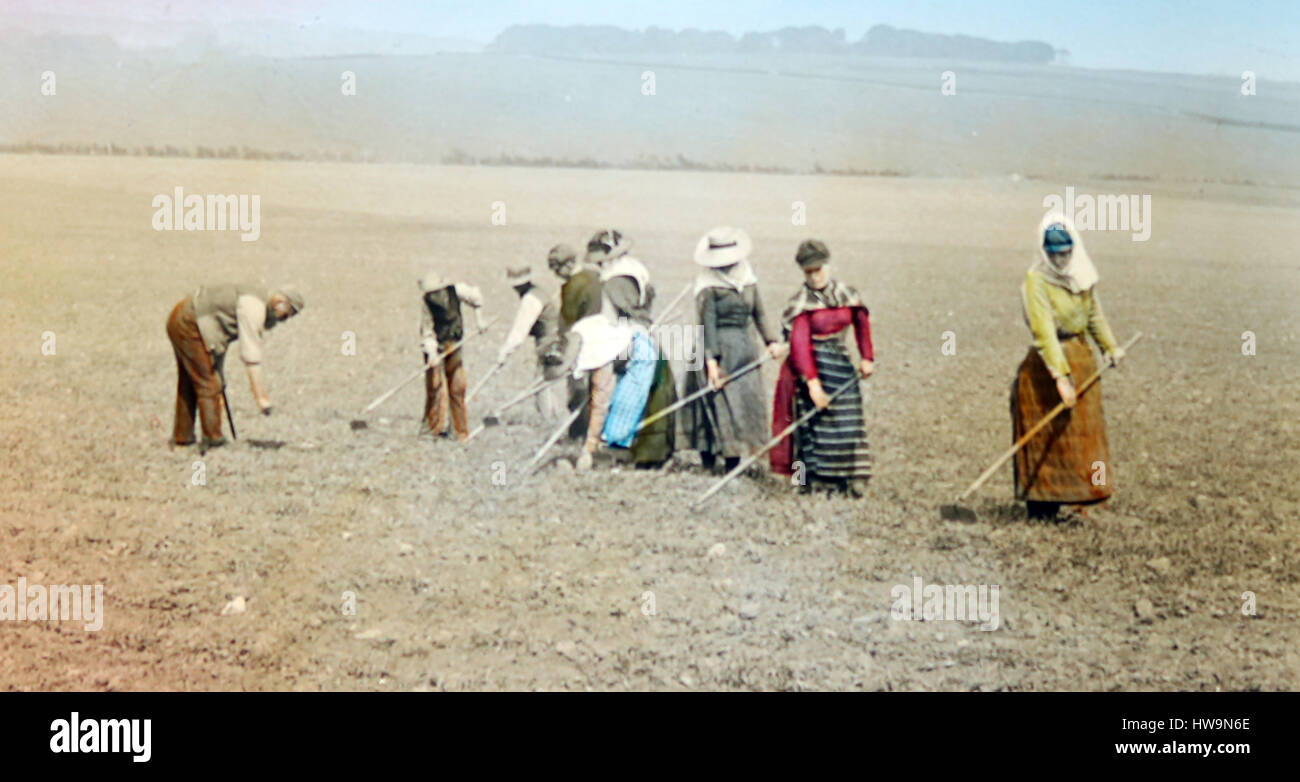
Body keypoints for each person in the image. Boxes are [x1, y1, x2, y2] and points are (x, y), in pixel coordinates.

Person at [1012, 213, 1125, 519]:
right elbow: (1043, 331)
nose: (1060, 260)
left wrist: (1110, 347)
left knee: (1087, 434)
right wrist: (1060, 378)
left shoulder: (1083, 276)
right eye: (1054, 253)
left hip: (1082, 360)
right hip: (1046, 368)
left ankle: (1089, 496)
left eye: (1065, 253)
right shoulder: (1036, 281)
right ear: (1044, 252)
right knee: (1047, 437)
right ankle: (1043, 503)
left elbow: (1093, 316)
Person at [769, 240, 874, 496]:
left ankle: (852, 478)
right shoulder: (801, 303)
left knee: (849, 420)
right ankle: (815, 480)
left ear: (828, 265)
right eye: (808, 272)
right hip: (812, 367)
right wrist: (813, 383)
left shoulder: (847, 294)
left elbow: (862, 324)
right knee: (816, 426)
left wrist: (867, 357)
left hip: (841, 365)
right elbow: (800, 344)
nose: (815, 277)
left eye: (818, 270)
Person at [682, 227, 783, 473]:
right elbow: (708, 326)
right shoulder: (707, 285)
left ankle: (741, 458)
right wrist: (712, 364)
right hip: (715, 349)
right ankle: (719, 460)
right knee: (720, 406)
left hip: (744, 348)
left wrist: (771, 341)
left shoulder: (747, 277)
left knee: (745, 403)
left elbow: (759, 311)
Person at [573, 229, 676, 471]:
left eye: (601, 260)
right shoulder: (634, 269)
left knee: (623, 391)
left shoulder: (617, 280)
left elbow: (623, 314)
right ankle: (630, 449)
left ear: (609, 256)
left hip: (628, 338)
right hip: (637, 334)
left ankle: (613, 444)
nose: (598, 265)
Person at [165, 283, 304, 452]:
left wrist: (219, 371)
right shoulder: (253, 307)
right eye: (288, 313)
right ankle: (213, 439)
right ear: (281, 302)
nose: (284, 319)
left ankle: (183, 437)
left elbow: (217, 337)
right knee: (209, 384)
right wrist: (260, 396)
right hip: (190, 322)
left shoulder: (256, 301)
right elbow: (250, 353)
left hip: (185, 318)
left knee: (191, 380)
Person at [418, 271, 485, 442]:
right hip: (436, 345)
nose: (433, 296)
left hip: (455, 345)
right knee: (434, 387)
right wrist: (432, 354)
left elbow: (476, 299)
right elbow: (427, 331)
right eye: (430, 293)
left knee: (457, 387)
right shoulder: (426, 303)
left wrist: (480, 321)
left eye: (435, 292)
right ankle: (431, 429)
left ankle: (459, 432)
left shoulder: (457, 290)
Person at [495, 265, 564, 418]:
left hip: (549, 341)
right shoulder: (536, 292)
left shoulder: (530, 299)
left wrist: (504, 352)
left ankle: (548, 420)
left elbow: (519, 331)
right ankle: (553, 417)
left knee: (540, 383)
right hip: (554, 338)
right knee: (545, 381)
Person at [550, 243, 602, 439]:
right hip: (603, 340)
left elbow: (568, 323)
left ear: (570, 263)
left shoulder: (572, 286)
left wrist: (562, 349)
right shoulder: (595, 276)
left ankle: (579, 432)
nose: (555, 273)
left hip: (582, 342)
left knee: (578, 389)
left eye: (558, 267)